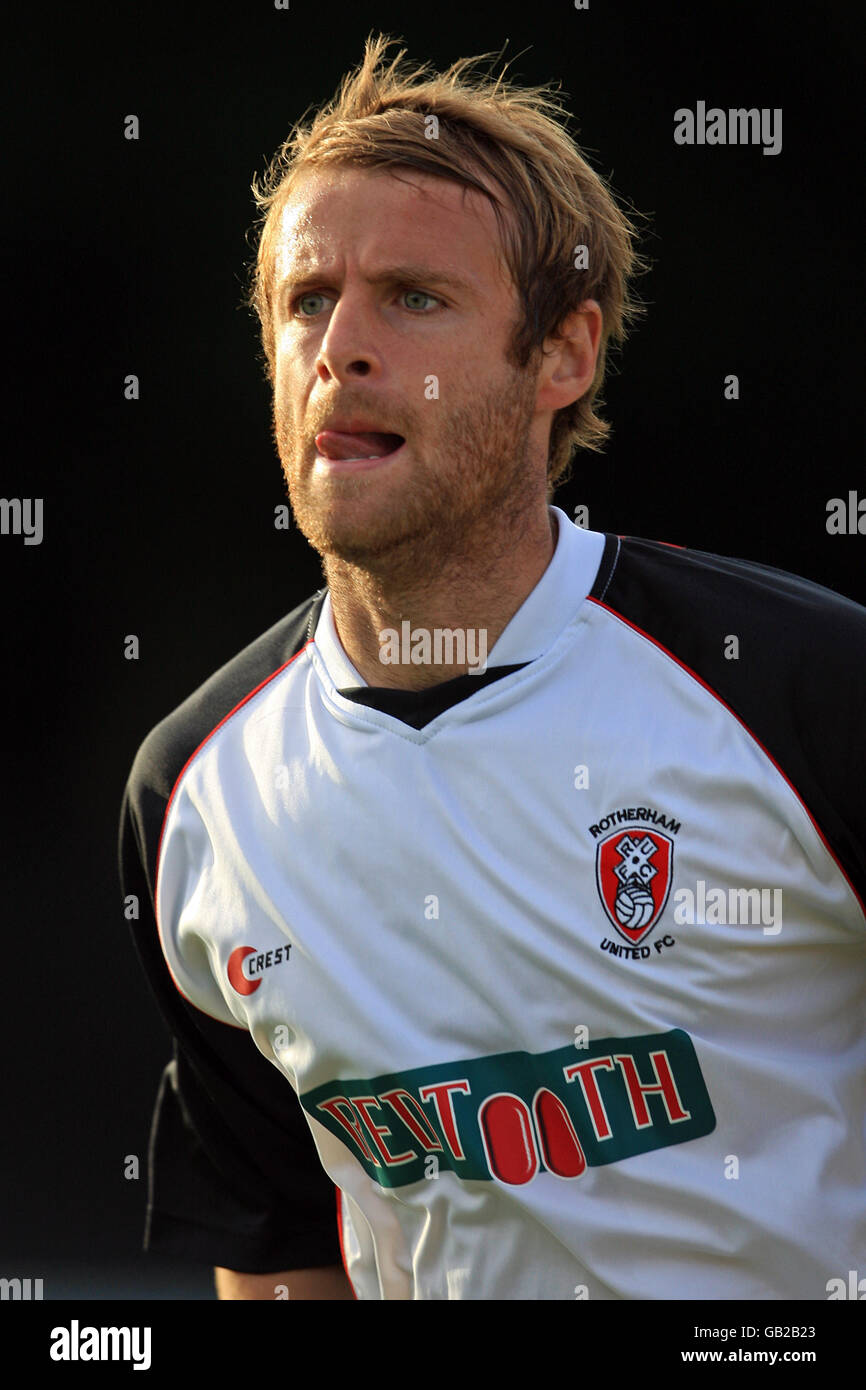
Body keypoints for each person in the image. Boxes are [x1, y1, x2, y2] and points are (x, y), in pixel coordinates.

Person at [119, 34, 866, 1301]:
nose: (339, 347)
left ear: (561, 356)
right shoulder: (196, 794)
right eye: (305, 300)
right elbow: (276, 1247)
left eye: (412, 296)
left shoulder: (801, 690)